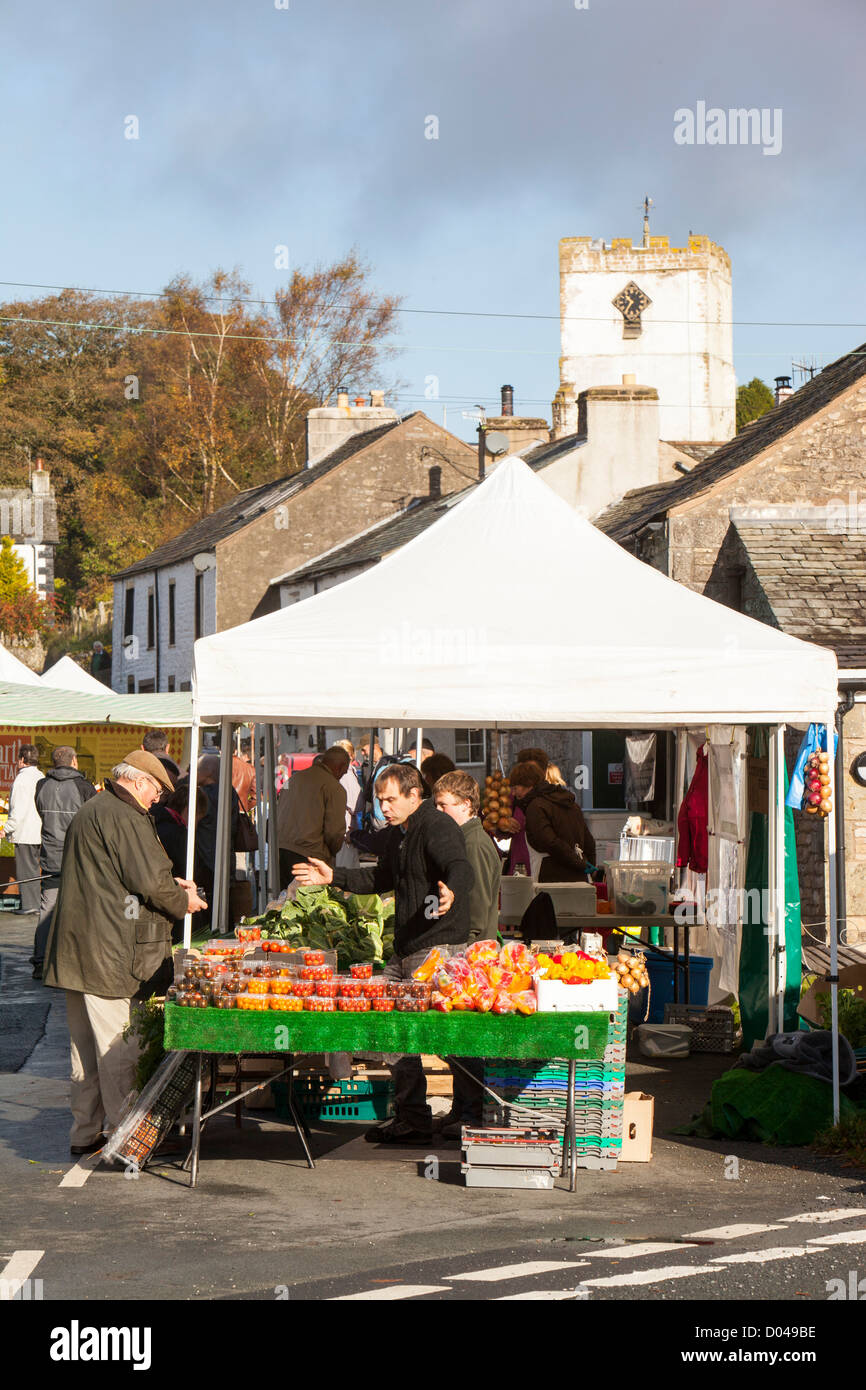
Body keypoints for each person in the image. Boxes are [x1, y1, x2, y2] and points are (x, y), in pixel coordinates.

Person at [293, 762, 474, 1144]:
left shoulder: (437, 826)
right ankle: (413, 1119)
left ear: (414, 795)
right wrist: (333, 877)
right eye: (379, 800)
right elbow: (380, 878)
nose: (383, 808)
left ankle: (470, 1114)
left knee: (451, 1034)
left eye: (391, 799)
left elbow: (459, 865)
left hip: (439, 947)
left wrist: (452, 890)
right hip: (407, 949)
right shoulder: (400, 834)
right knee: (388, 1026)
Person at [43, 751, 206, 1155]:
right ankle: (126, 1138)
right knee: (118, 1050)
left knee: (85, 1053)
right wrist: (183, 900)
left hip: (77, 951)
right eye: (155, 789)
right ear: (137, 781)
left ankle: (85, 1134)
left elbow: (123, 878)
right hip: (107, 953)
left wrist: (170, 887)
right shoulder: (124, 815)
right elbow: (149, 881)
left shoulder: (96, 808)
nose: (157, 799)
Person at [433, 770, 503, 1137]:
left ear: (467, 804)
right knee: (460, 1039)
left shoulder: (473, 844)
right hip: (469, 948)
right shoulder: (465, 839)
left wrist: (466, 950)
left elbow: (476, 905)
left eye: (445, 805)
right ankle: (462, 1107)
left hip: (472, 951)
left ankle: (470, 1111)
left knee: (469, 1039)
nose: (439, 811)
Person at [31, 746, 97, 980]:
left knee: (47, 909)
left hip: (50, 856)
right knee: (81, 910)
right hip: (78, 857)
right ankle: (73, 962)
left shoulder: (41, 785)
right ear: (75, 762)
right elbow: (94, 821)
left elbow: (41, 812)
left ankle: (40, 962)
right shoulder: (84, 787)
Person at [508, 760, 595, 882]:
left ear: (529, 785)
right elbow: (589, 841)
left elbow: (550, 842)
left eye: (515, 788)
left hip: (551, 880)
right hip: (581, 878)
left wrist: (579, 864)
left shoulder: (535, 807)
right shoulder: (570, 803)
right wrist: (587, 866)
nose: (513, 793)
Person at [276, 745, 350, 887]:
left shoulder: (293, 779)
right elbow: (334, 832)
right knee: (306, 905)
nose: (342, 776)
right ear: (339, 767)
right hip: (309, 854)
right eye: (344, 772)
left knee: (285, 901)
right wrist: (331, 853)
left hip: (282, 850)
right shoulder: (334, 787)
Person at [1, 744, 44, 915]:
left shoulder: (20, 780)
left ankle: (29, 905)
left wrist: (6, 828)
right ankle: (34, 903)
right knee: (34, 869)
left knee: (26, 870)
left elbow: (17, 810)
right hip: (39, 831)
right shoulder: (41, 776)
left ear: (21, 760)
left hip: (24, 832)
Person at [333, 739, 362, 869]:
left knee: (345, 867)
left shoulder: (344, 774)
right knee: (346, 868)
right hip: (346, 829)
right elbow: (355, 804)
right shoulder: (347, 774)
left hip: (344, 828)